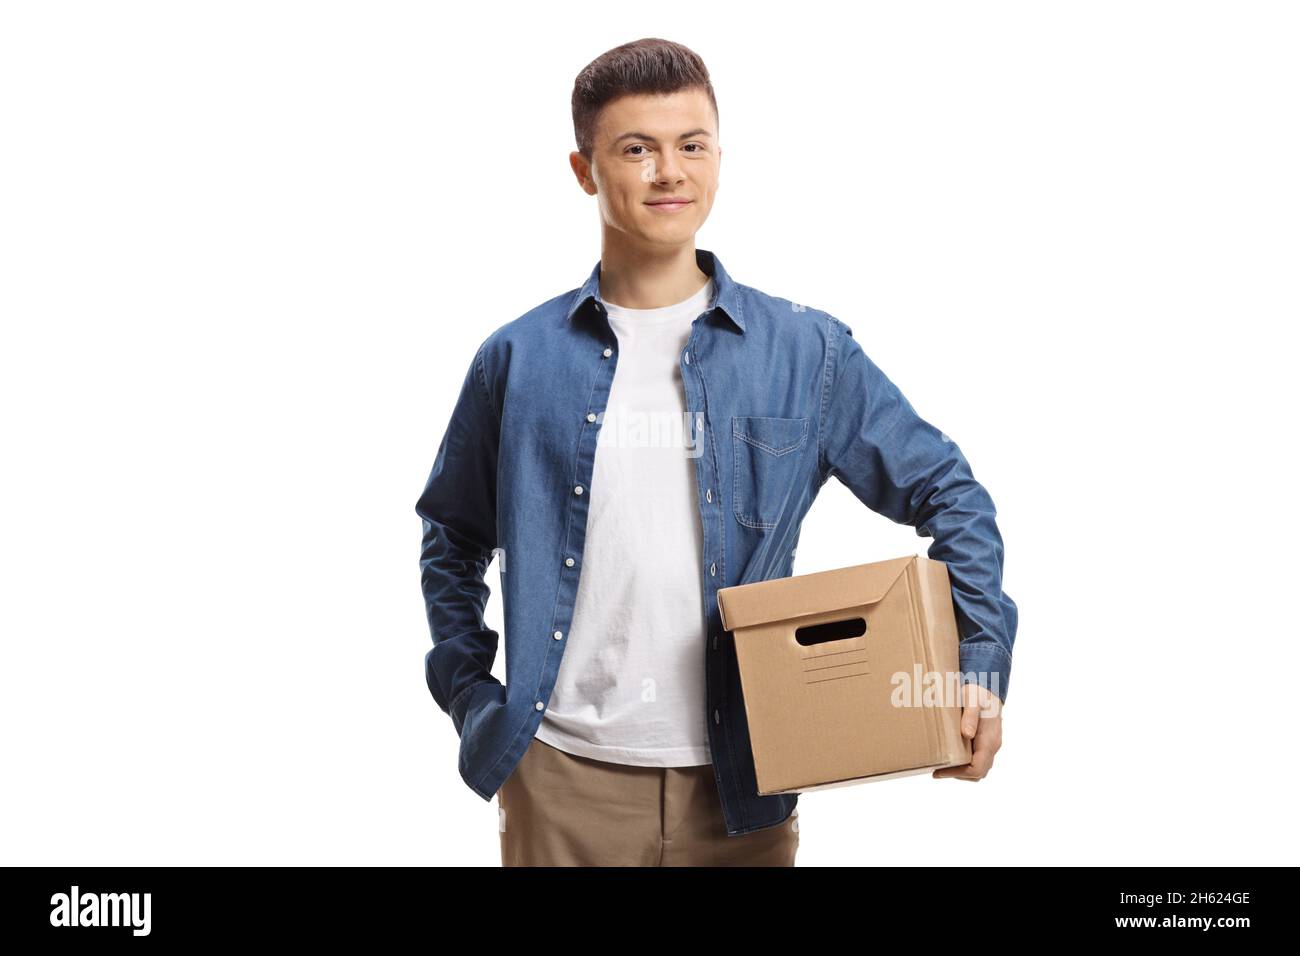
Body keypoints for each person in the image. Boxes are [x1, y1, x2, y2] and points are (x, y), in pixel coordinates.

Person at [415, 37, 1017, 867]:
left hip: (746, 783)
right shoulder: (517, 359)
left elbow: (950, 492)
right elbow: (450, 535)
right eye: (637, 149)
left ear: (719, 161)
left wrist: (975, 667)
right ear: (584, 169)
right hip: (560, 779)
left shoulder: (806, 351)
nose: (670, 172)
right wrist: (472, 696)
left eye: (691, 145)